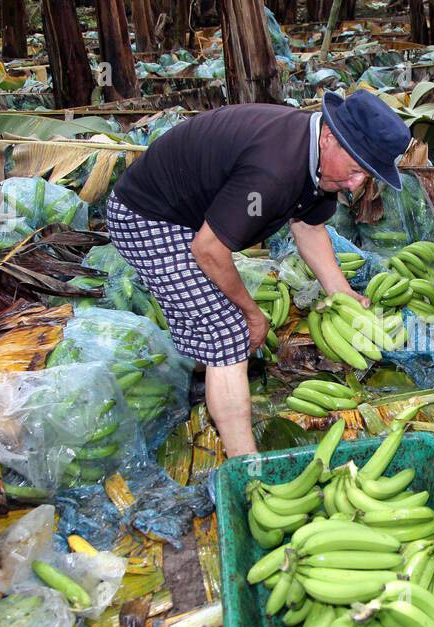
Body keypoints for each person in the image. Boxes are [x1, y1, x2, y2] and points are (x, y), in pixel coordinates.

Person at [105, 90, 412, 457]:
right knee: (227, 331)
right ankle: (246, 466)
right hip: (146, 219)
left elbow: (309, 228)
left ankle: (210, 381)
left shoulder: (316, 158)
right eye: (357, 169)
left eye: (366, 174)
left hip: (190, 220)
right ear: (330, 137)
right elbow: (209, 250)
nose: (356, 185)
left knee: (218, 325)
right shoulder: (276, 168)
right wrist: (252, 314)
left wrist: (340, 290)